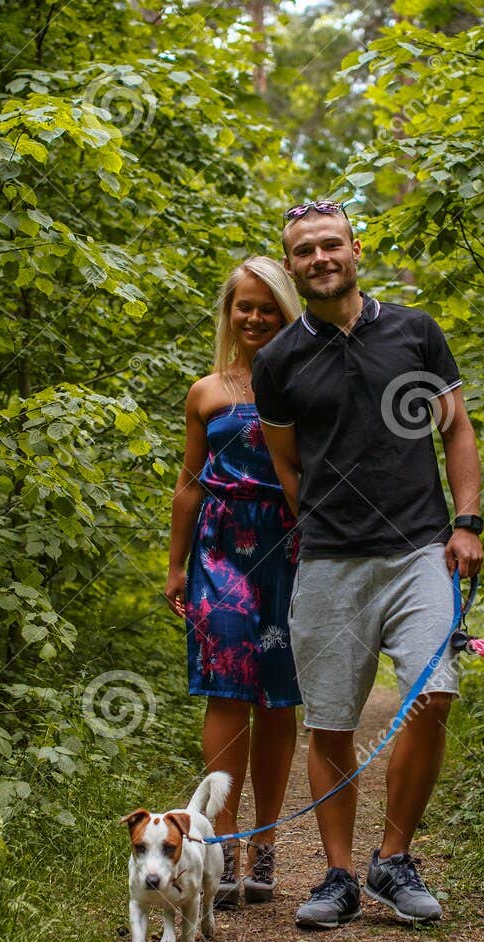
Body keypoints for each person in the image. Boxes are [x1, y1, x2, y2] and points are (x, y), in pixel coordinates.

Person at [252, 200, 484, 929]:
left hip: (420, 547)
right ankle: (339, 876)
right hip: (328, 560)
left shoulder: (414, 330)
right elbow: (286, 463)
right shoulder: (279, 360)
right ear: (291, 265)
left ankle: (393, 857)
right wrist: (320, 519)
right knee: (329, 723)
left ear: (356, 248)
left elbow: (457, 431)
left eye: (331, 245)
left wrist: (467, 521)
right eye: (304, 251)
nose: (320, 258)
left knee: (433, 694)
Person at [165, 256, 305, 907]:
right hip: (219, 553)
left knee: (278, 696)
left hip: (289, 548)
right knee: (226, 693)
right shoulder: (206, 391)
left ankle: (266, 848)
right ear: (229, 313)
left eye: (266, 306)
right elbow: (189, 485)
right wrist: (175, 564)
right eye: (242, 306)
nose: (253, 317)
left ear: (285, 311)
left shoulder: (308, 384)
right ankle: (222, 845)